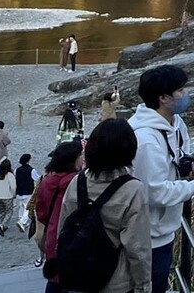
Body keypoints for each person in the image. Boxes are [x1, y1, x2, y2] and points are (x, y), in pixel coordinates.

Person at [129, 64, 194, 292]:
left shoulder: (175, 123)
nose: (186, 95)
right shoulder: (144, 140)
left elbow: (176, 160)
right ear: (163, 98)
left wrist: (190, 172)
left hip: (165, 231)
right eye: (180, 90)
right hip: (146, 238)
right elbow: (153, 193)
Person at [54, 118, 150, 293]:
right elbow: (138, 249)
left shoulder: (77, 182)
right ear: (129, 150)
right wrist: (143, 287)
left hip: (78, 280)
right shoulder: (133, 190)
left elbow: (63, 230)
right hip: (116, 283)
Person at [32, 140, 83, 282]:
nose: (83, 158)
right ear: (73, 159)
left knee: (55, 279)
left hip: (51, 234)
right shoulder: (76, 181)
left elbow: (40, 210)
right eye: (80, 155)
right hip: (72, 236)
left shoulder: (46, 180)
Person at [0, 158, 16, 236]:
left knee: (1, 211)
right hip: (7, 196)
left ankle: (3, 225)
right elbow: (13, 187)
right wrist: (13, 195)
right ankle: (2, 225)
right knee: (9, 211)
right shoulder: (10, 176)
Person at [14, 153, 36, 234]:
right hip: (28, 192)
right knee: (28, 208)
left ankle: (21, 219)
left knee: (21, 206)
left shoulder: (17, 170)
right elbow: (37, 178)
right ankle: (22, 221)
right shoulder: (31, 170)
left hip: (19, 192)